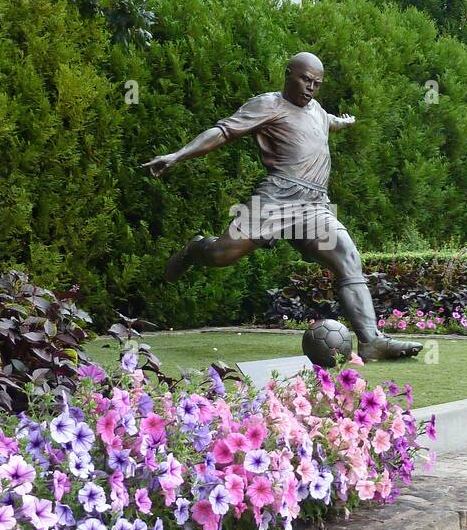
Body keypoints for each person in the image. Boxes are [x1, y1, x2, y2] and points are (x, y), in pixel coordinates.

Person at [141, 51, 422, 360]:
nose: (311, 88)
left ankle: (371, 341)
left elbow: (325, 122)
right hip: (276, 199)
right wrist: (178, 155)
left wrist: (341, 121)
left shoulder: (316, 109)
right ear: (288, 74)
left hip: (314, 205)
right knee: (222, 254)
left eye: (317, 83)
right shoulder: (268, 104)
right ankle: (195, 249)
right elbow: (223, 132)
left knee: (348, 257)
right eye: (305, 80)